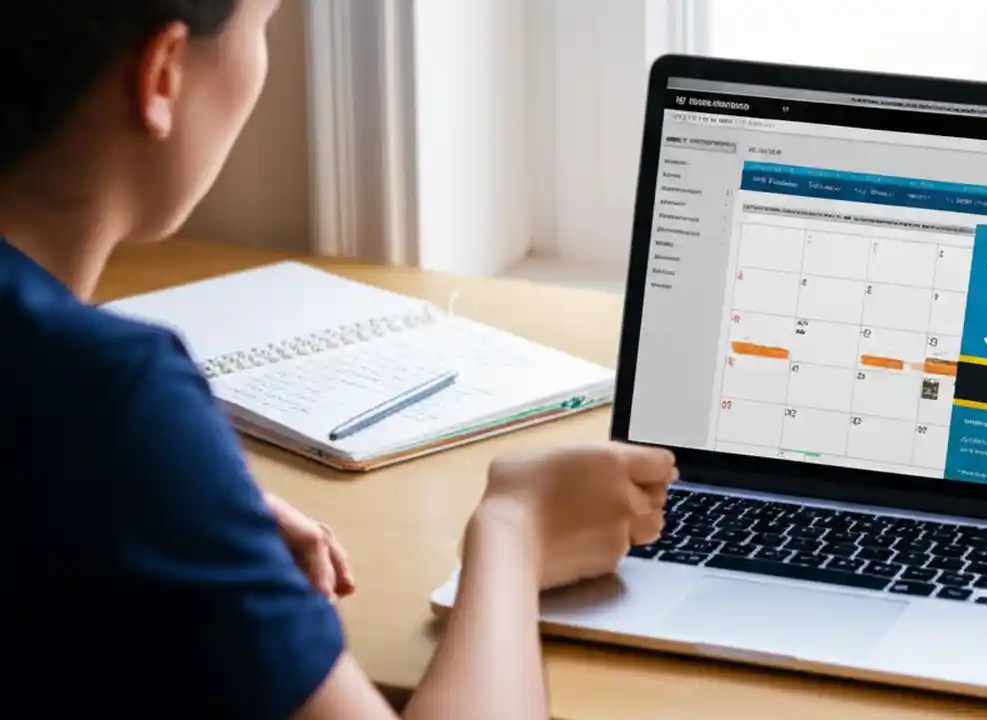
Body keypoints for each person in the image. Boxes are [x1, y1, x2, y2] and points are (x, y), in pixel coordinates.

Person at [0, 1, 676, 718]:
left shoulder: (75, 421)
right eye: (264, 28)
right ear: (161, 75)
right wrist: (514, 533)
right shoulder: (104, 402)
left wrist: (194, 510)